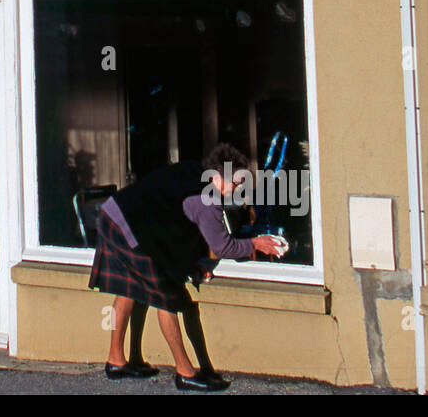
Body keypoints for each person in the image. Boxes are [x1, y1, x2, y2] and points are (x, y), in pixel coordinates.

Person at [88, 142, 288, 391]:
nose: (239, 189)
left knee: (129, 288)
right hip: (127, 224)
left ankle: (116, 361)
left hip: (116, 213)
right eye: (236, 183)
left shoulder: (195, 172)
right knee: (167, 296)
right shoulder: (206, 201)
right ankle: (184, 372)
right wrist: (256, 244)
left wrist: (196, 262)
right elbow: (223, 245)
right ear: (218, 176)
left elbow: (180, 225)